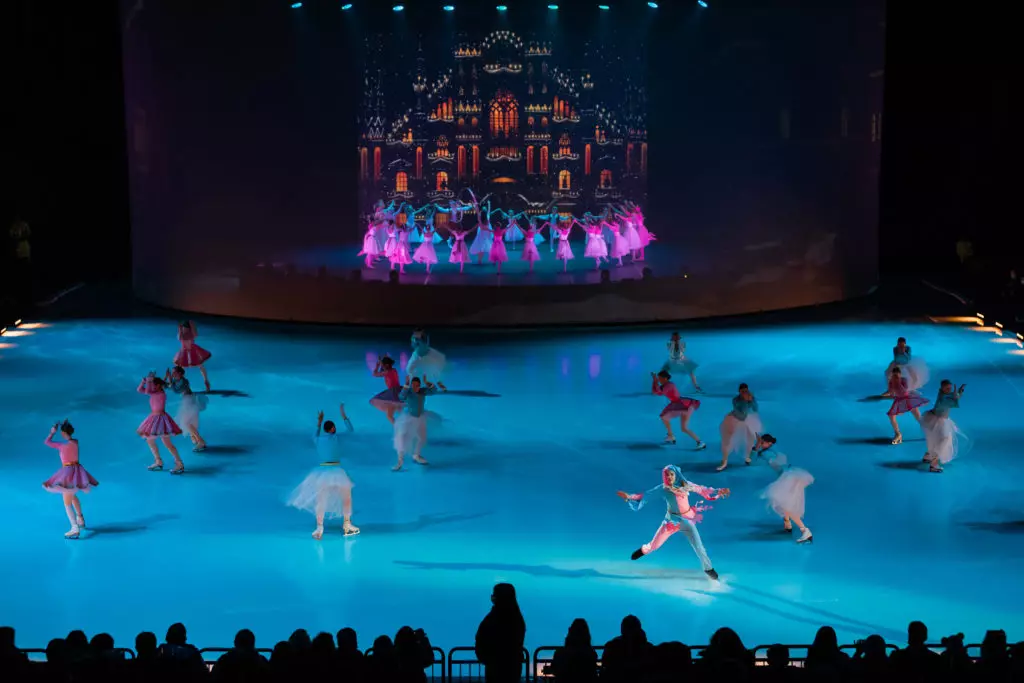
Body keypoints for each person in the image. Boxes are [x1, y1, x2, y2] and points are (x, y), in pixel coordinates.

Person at [618, 465, 729, 580]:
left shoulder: (686, 485)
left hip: (687, 521)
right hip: (671, 522)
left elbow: (701, 489)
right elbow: (646, 495)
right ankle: (643, 550)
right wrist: (629, 497)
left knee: (699, 547)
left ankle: (708, 569)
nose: (669, 477)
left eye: (671, 474)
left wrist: (718, 491)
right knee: (654, 545)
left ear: (676, 475)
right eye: (667, 475)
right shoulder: (663, 488)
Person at [287, 405, 359, 539]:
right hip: (337, 472)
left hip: (323, 473)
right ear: (332, 429)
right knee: (346, 498)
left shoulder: (318, 440)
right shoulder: (336, 438)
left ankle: (319, 527)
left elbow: (315, 434)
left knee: (322, 500)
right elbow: (350, 430)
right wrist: (343, 415)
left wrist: (319, 422)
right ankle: (347, 525)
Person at [42, 420, 98, 538]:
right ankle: (80, 519)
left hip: (67, 473)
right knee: (72, 496)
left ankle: (74, 527)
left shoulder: (61, 446)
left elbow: (47, 442)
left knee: (66, 502)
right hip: (77, 472)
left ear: (62, 433)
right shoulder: (75, 442)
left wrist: (52, 432)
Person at [758, 438, 814, 543]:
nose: (760, 444)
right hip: (790, 476)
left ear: (769, 443)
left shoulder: (770, 454)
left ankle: (805, 531)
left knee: (783, 502)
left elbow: (755, 458)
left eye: (762, 442)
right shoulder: (774, 452)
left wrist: (756, 449)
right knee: (784, 501)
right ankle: (787, 522)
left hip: (790, 478)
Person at [475, 583, 526, 683]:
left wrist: (486, 658)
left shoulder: (493, 618)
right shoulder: (517, 618)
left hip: (495, 666)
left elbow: (481, 637)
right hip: (513, 667)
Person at [137, 374, 185, 473]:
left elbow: (146, 391)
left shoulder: (161, 394)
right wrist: (144, 381)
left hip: (160, 419)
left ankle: (179, 463)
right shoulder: (154, 392)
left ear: (158, 385)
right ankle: (158, 461)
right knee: (150, 440)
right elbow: (139, 390)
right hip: (153, 418)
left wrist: (149, 381)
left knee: (167, 443)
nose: (152, 387)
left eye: (154, 385)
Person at [393, 375, 440, 470]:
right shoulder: (408, 392)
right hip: (408, 419)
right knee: (403, 437)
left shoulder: (422, 391)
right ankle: (400, 460)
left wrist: (428, 383)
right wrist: (406, 385)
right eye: (413, 385)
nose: (415, 387)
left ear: (419, 385)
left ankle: (416, 455)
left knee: (421, 438)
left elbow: (434, 391)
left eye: (417, 385)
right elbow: (401, 397)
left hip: (420, 418)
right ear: (411, 385)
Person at [650, 370, 705, 449]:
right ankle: (700, 442)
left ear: (665, 378)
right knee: (684, 428)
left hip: (683, 405)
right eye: (658, 378)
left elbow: (658, 391)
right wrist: (654, 381)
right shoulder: (665, 385)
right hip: (680, 405)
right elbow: (655, 392)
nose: (659, 380)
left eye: (660, 378)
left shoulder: (669, 385)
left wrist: (655, 380)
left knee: (664, 417)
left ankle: (671, 436)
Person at [920, 379, 966, 472]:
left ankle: (928, 455)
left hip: (933, 418)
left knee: (934, 438)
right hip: (938, 421)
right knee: (944, 439)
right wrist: (958, 394)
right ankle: (934, 464)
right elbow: (953, 401)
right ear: (942, 388)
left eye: (950, 388)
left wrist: (959, 392)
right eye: (947, 388)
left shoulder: (942, 393)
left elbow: (952, 397)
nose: (949, 390)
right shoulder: (943, 398)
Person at [718, 383, 762, 470]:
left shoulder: (751, 398)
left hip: (748, 420)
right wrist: (745, 402)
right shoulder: (736, 400)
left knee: (751, 438)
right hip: (736, 419)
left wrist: (751, 401)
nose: (744, 393)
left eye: (746, 391)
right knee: (728, 440)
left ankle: (748, 456)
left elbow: (755, 409)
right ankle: (724, 461)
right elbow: (739, 413)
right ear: (739, 391)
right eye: (742, 391)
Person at [166, 366, 208, 452]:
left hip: (190, 400)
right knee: (187, 422)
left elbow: (176, 390)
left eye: (175, 372)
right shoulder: (177, 381)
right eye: (172, 372)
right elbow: (170, 387)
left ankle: (200, 441)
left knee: (187, 422)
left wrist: (170, 379)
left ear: (180, 373)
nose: (173, 374)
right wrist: (168, 378)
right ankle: (195, 438)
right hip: (186, 400)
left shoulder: (184, 381)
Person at [885, 366, 929, 445]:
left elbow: (905, 390)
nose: (895, 377)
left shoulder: (904, 380)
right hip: (899, 400)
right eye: (894, 375)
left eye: (897, 375)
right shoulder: (891, 382)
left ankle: (929, 432)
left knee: (918, 417)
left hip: (908, 399)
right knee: (891, 415)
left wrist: (898, 382)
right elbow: (891, 393)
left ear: (900, 374)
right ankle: (898, 434)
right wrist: (890, 387)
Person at [370, 355, 404, 424]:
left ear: (387, 365)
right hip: (399, 391)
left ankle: (399, 428)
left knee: (389, 416)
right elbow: (383, 370)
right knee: (399, 412)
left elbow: (374, 374)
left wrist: (377, 366)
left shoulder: (387, 372)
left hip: (393, 393)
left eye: (382, 365)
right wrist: (381, 362)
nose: (381, 366)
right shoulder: (394, 370)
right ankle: (403, 427)